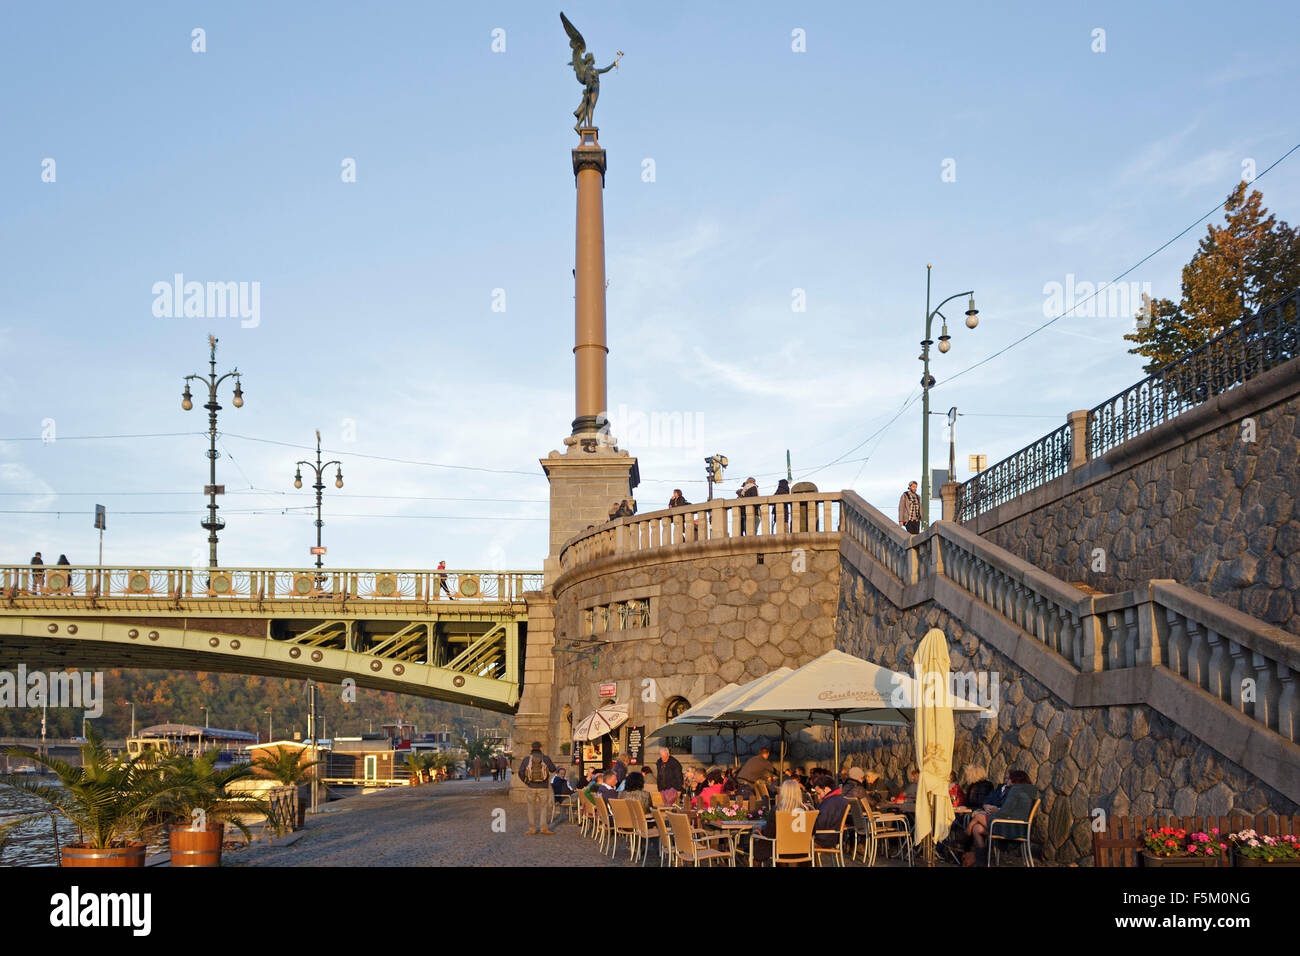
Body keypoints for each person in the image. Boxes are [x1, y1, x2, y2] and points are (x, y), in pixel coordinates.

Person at [966, 770, 1037, 864]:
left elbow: (1010, 812)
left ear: (1016, 780)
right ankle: (981, 862)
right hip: (1007, 824)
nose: (1007, 781)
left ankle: (966, 836)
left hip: (1012, 828)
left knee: (978, 817)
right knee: (976, 828)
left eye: (1010, 779)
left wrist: (997, 810)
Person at [753, 779, 809, 865]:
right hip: (802, 851)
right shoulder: (806, 810)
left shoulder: (777, 810)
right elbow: (811, 832)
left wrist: (759, 832)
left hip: (781, 850)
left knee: (760, 844)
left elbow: (769, 834)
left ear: (783, 793)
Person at [518, 741, 557, 836]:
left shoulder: (527, 759)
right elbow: (553, 769)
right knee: (543, 807)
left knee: (531, 807)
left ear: (531, 748)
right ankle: (543, 828)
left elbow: (520, 772)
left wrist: (526, 782)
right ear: (540, 748)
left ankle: (532, 829)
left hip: (531, 786)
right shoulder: (546, 758)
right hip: (543, 787)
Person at [810, 774, 851, 848]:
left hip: (823, 840)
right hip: (831, 837)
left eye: (819, 793)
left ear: (826, 789)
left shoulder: (830, 802)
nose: (818, 797)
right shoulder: (839, 798)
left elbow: (820, 823)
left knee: (797, 840)